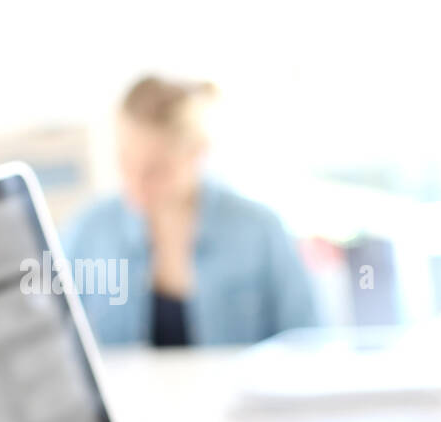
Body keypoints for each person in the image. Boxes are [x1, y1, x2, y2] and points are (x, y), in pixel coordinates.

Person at [62, 76, 318, 346]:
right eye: (126, 162)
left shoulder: (261, 231)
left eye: (156, 170)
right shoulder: (89, 231)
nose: (135, 184)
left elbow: (307, 342)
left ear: (197, 153)